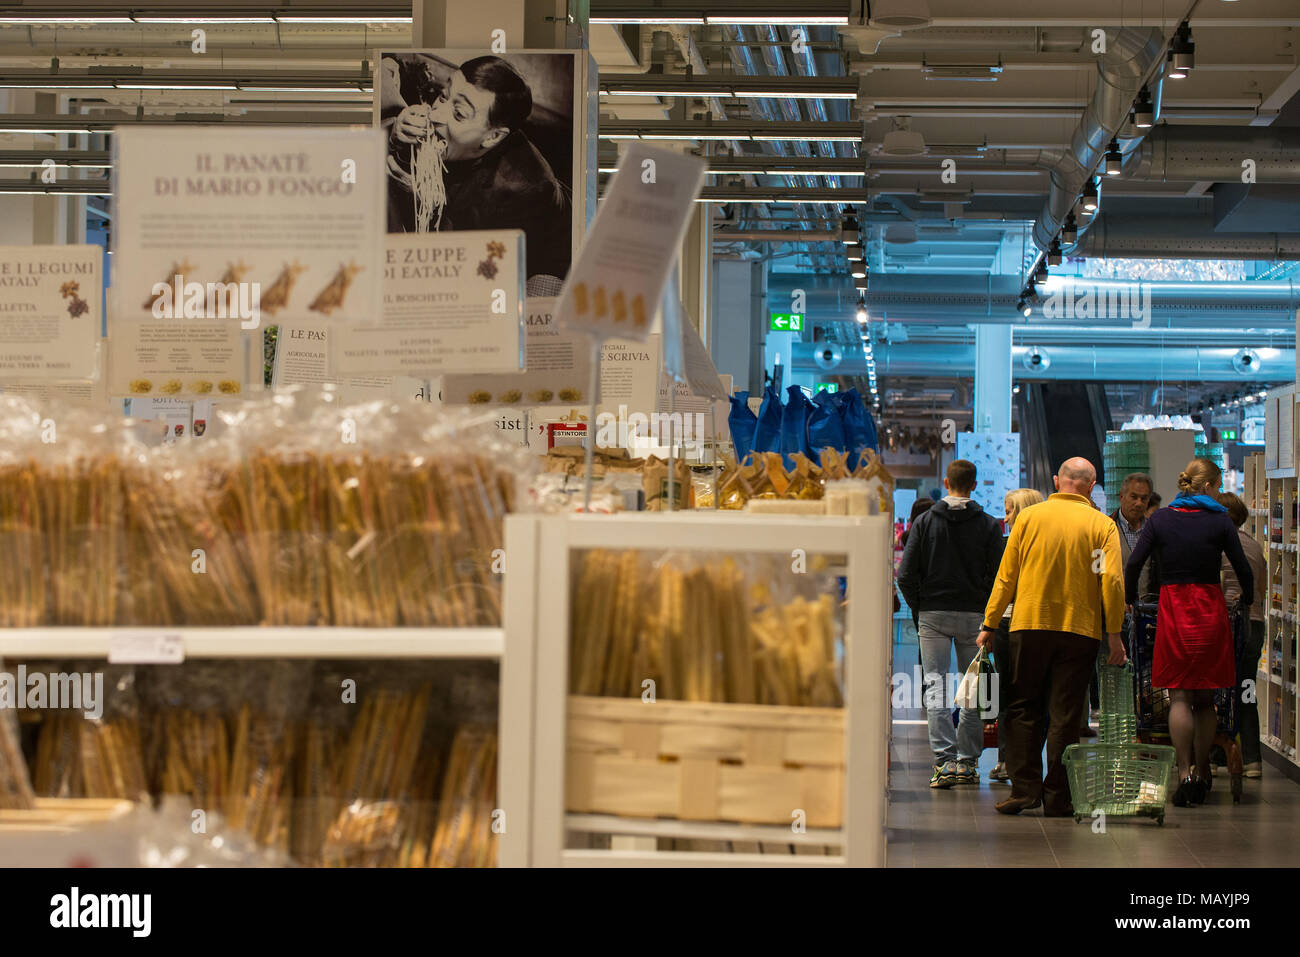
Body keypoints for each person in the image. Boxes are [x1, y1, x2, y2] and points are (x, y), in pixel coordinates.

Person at [978, 457, 1127, 816]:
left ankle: (1025, 790)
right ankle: (1058, 798)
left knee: (1023, 708)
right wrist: (1114, 634)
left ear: (1058, 481)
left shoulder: (1028, 518)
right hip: (1080, 631)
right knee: (1065, 715)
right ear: (1092, 487)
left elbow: (1006, 576)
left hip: (1029, 626)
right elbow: (1113, 582)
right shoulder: (1101, 525)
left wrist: (989, 623)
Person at [1124, 458, 1254, 806]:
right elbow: (1242, 567)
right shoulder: (1220, 521)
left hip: (1174, 610)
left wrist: (1130, 599)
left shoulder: (1161, 519)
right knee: (1206, 697)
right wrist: (1249, 599)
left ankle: (1185, 773)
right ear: (1210, 486)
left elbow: (1134, 563)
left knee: (1179, 695)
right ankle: (1204, 768)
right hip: (1210, 612)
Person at [382, 54, 572, 286]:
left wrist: (429, 206)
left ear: (493, 137)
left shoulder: (526, 189)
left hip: (545, 264)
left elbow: (482, 273)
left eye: (459, 113)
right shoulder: (444, 130)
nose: (435, 114)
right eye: (443, 97)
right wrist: (395, 132)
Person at [897, 460, 1005, 790]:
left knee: (936, 688)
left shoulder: (925, 522)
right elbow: (1001, 575)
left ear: (946, 482)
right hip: (975, 616)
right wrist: (988, 612)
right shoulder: (989, 525)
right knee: (972, 690)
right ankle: (968, 763)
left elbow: (905, 575)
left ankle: (944, 763)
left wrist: (921, 607)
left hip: (933, 614)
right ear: (974, 486)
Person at [988, 488, 1045, 783]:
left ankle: (1011, 760)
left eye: (1010, 510)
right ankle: (1018, 760)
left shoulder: (1011, 545)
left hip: (1012, 624)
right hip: (1034, 625)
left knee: (1011, 696)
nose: (1006, 517)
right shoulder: (1046, 545)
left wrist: (988, 624)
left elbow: (1001, 586)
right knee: (1027, 695)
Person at [1216, 492, 1266, 779]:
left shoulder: (1219, 546)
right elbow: (1259, 589)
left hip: (1228, 625)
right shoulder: (1255, 546)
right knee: (1247, 691)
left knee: (1218, 691)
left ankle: (1213, 756)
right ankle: (1252, 761)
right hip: (1255, 624)